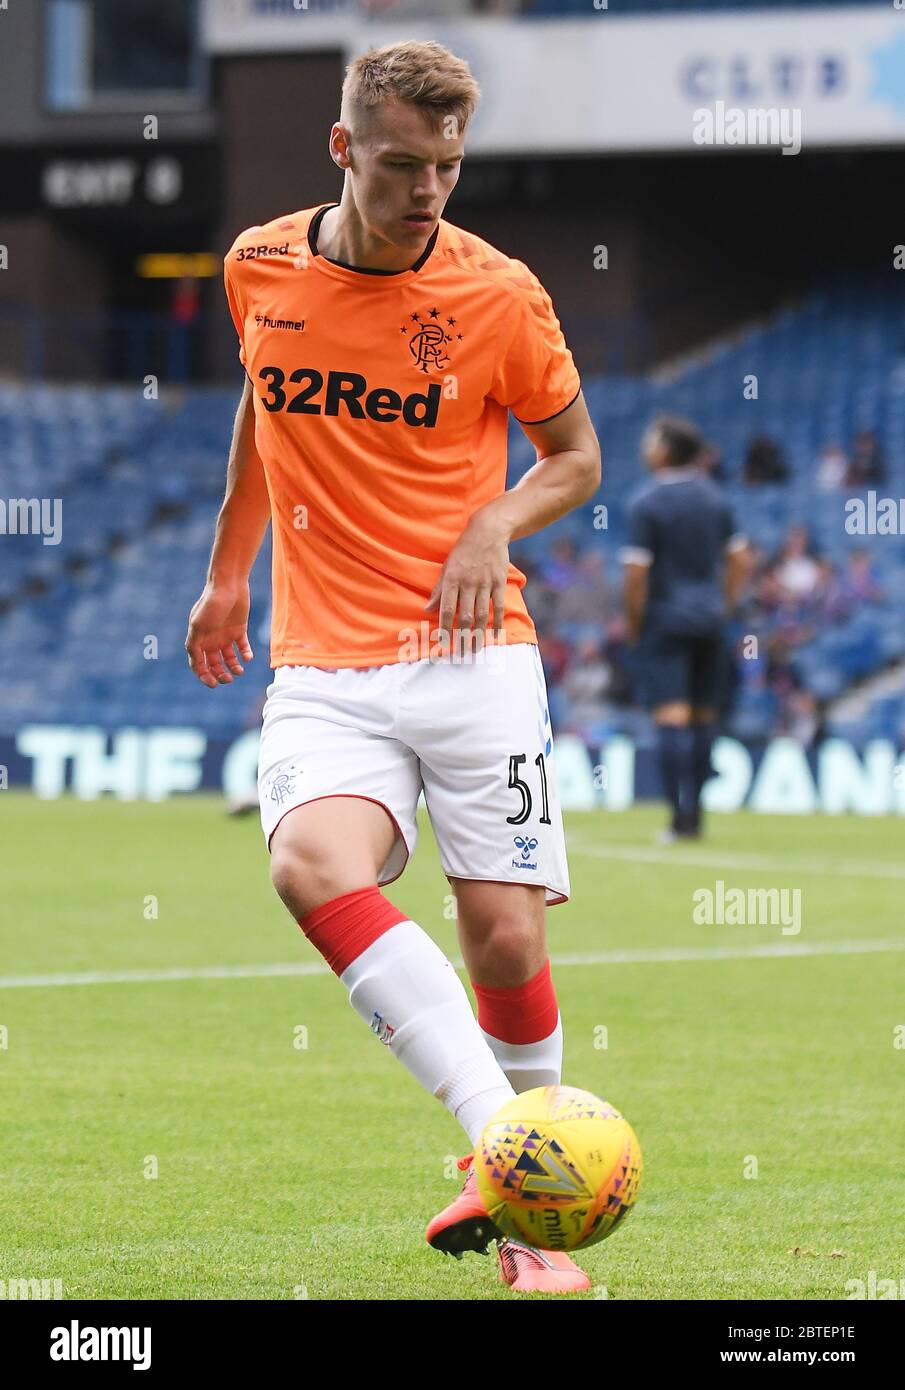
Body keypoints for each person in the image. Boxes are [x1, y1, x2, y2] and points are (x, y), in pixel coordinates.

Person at [184, 41, 601, 1294]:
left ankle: (517, 1182)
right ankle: (515, 1171)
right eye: (406, 164)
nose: (429, 190)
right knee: (309, 863)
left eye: (449, 167)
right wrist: (224, 573)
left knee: (506, 947)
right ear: (343, 146)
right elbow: (264, 414)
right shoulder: (258, 263)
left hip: (476, 657)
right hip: (326, 662)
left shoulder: (498, 294)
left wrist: (493, 523)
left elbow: (576, 457)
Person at [621, 416, 748, 840]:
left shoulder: (646, 503)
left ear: (664, 450)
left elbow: (637, 572)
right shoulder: (716, 499)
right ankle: (698, 817)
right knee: (703, 717)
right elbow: (741, 559)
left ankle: (678, 820)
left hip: (665, 620)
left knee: (671, 717)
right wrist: (726, 604)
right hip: (710, 620)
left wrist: (635, 623)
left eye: (651, 438)